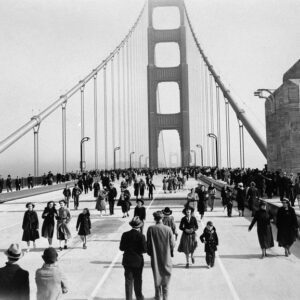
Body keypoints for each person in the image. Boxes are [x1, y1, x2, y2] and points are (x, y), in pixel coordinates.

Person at [147, 211, 175, 300]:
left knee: (157, 275)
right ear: (162, 218)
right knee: (166, 277)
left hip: (155, 257)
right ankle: (165, 297)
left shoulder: (151, 229)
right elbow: (172, 244)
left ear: (154, 219)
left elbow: (148, 244)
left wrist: (150, 252)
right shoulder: (168, 229)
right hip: (166, 257)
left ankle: (158, 296)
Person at [119, 217, 147, 300]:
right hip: (138, 261)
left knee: (128, 281)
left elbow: (121, 248)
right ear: (139, 226)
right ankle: (139, 297)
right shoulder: (141, 236)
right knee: (138, 280)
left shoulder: (125, 234)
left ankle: (129, 298)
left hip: (127, 260)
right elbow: (144, 250)